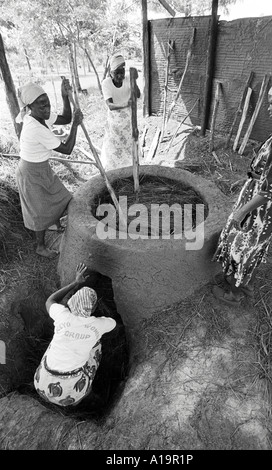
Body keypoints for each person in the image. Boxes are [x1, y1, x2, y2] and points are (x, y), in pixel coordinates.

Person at [212, 72, 272, 306]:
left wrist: (241, 211)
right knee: (253, 243)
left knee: (243, 244)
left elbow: (270, 186)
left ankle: (234, 293)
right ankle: (244, 283)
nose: (268, 108)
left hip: (264, 203)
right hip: (267, 198)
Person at [15, 78, 83, 259]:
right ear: (30, 107)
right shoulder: (35, 127)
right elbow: (67, 149)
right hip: (30, 172)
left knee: (61, 197)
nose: (47, 110)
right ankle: (40, 246)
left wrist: (64, 96)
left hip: (41, 167)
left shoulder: (41, 116)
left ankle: (54, 223)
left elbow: (65, 118)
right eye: (42, 106)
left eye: (48, 105)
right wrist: (75, 126)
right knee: (38, 210)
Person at [34, 263, 116, 407]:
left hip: (40, 383)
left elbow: (50, 301)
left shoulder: (62, 315)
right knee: (96, 344)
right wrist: (96, 321)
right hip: (70, 394)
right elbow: (113, 323)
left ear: (71, 304)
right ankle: (87, 393)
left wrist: (75, 283)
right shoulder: (96, 325)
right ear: (94, 307)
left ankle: (51, 398)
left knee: (56, 342)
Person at [100, 52, 140, 170]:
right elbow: (110, 105)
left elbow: (137, 95)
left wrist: (134, 81)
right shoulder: (106, 83)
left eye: (122, 72)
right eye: (117, 73)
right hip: (115, 120)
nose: (120, 75)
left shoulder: (128, 79)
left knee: (129, 145)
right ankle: (114, 171)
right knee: (114, 146)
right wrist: (125, 104)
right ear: (111, 73)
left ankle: (130, 169)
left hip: (128, 119)